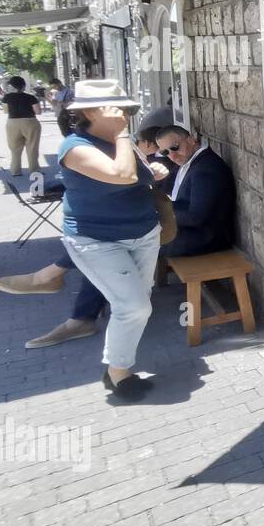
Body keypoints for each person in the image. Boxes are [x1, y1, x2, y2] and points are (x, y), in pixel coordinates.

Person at [0, 128, 177, 350]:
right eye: (164, 150)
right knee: (97, 257)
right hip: (134, 227)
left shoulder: (186, 165)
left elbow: (191, 208)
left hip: (163, 228)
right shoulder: (122, 151)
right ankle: (79, 316)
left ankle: (60, 288)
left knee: (98, 256)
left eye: (171, 149)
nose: (169, 154)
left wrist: (152, 173)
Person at [53, 80, 161, 401]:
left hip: (143, 232)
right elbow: (122, 175)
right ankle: (118, 372)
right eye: (113, 109)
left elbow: (136, 174)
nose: (123, 114)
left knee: (134, 303)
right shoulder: (74, 147)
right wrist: (122, 134)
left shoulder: (120, 141)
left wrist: (153, 171)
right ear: (87, 112)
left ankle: (115, 364)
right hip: (97, 240)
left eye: (126, 109)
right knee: (134, 306)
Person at [155, 124, 236, 255]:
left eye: (175, 147)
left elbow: (196, 217)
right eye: (165, 152)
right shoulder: (187, 161)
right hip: (188, 232)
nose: (172, 155)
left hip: (205, 239)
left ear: (191, 139)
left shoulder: (206, 169)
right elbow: (167, 193)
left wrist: (158, 216)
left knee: (139, 242)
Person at [1, 76, 42, 176]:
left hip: (12, 123)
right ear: (24, 86)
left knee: (15, 148)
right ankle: (34, 170)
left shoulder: (7, 97)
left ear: (12, 86)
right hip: (30, 122)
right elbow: (38, 111)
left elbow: (6, 111)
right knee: (32, 147)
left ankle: (15, 170)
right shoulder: (31, 97)